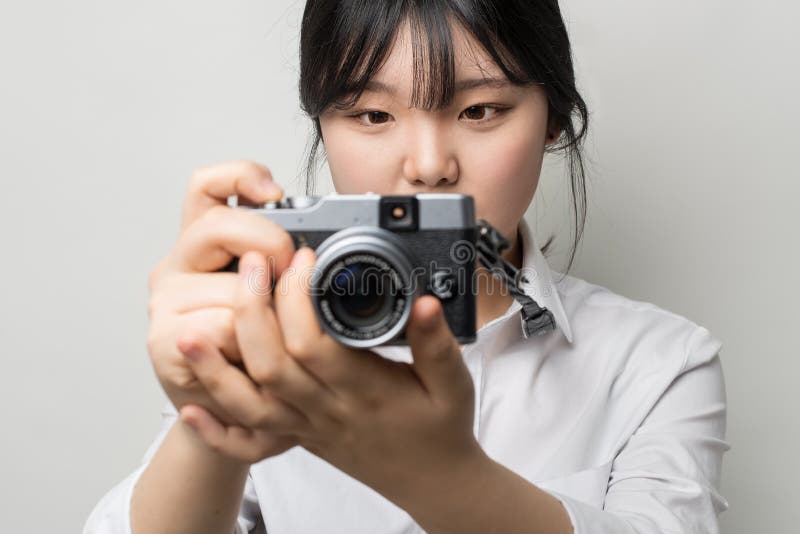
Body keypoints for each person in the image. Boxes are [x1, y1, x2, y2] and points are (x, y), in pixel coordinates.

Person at [84, 1, 730, 533]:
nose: (427, 166)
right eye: (373, 115)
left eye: (479, 110)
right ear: (323, 125)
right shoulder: (266, 336)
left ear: (553, 117)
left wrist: (444, 476)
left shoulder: (659, 362)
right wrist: (211, 417)